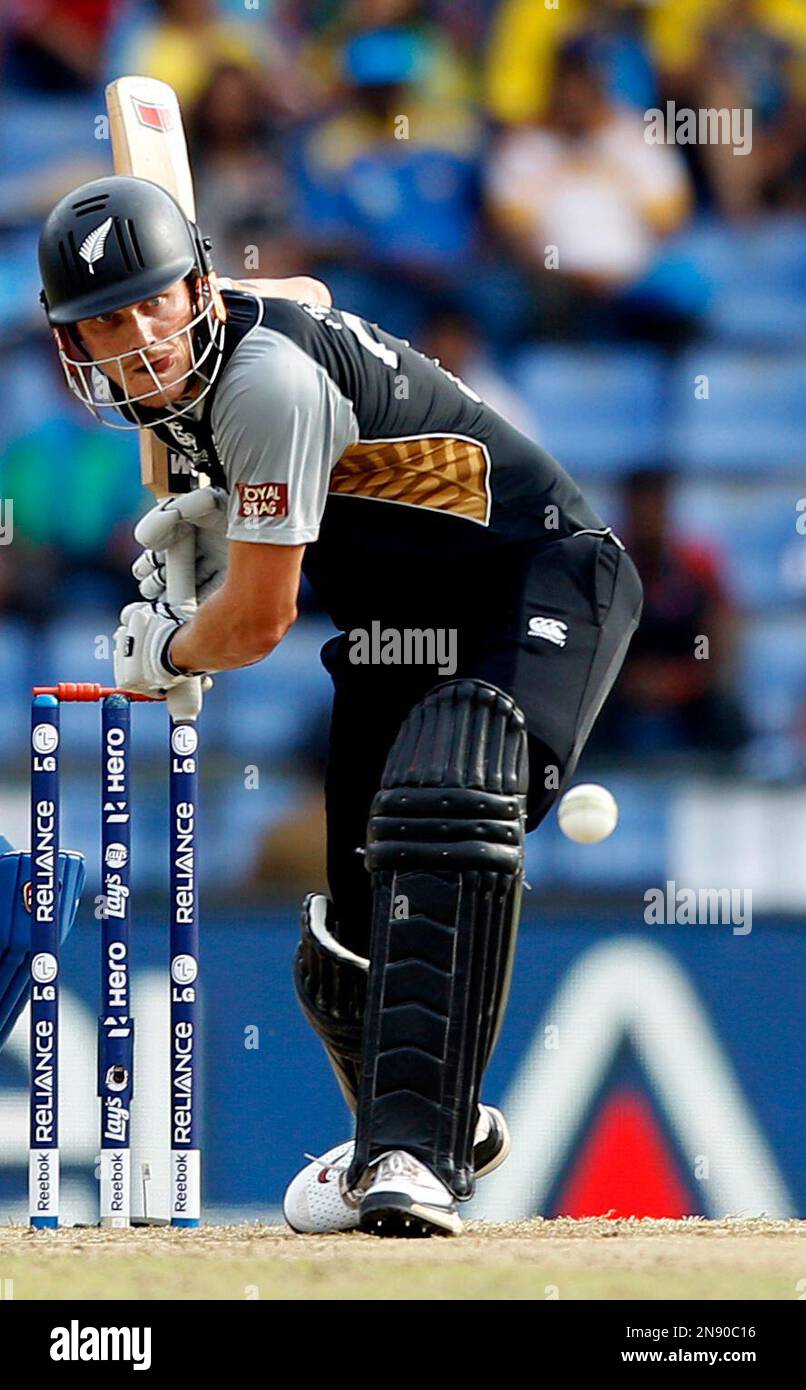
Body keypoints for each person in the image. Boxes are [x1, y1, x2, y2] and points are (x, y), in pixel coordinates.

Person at [38, 174, 643, 1237]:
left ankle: (412, 1149)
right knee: (342, 944)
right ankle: (414, 1134)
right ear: (70, 344)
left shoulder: (260, 384)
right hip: (398, 623)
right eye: (104, 320)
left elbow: (261, 622)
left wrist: (166, 645)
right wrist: (209, 504)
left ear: (199, 290)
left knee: (445, 796)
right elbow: (304, 293)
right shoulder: (213, 366)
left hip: (538, 579)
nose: (138, 338)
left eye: (152, 304)